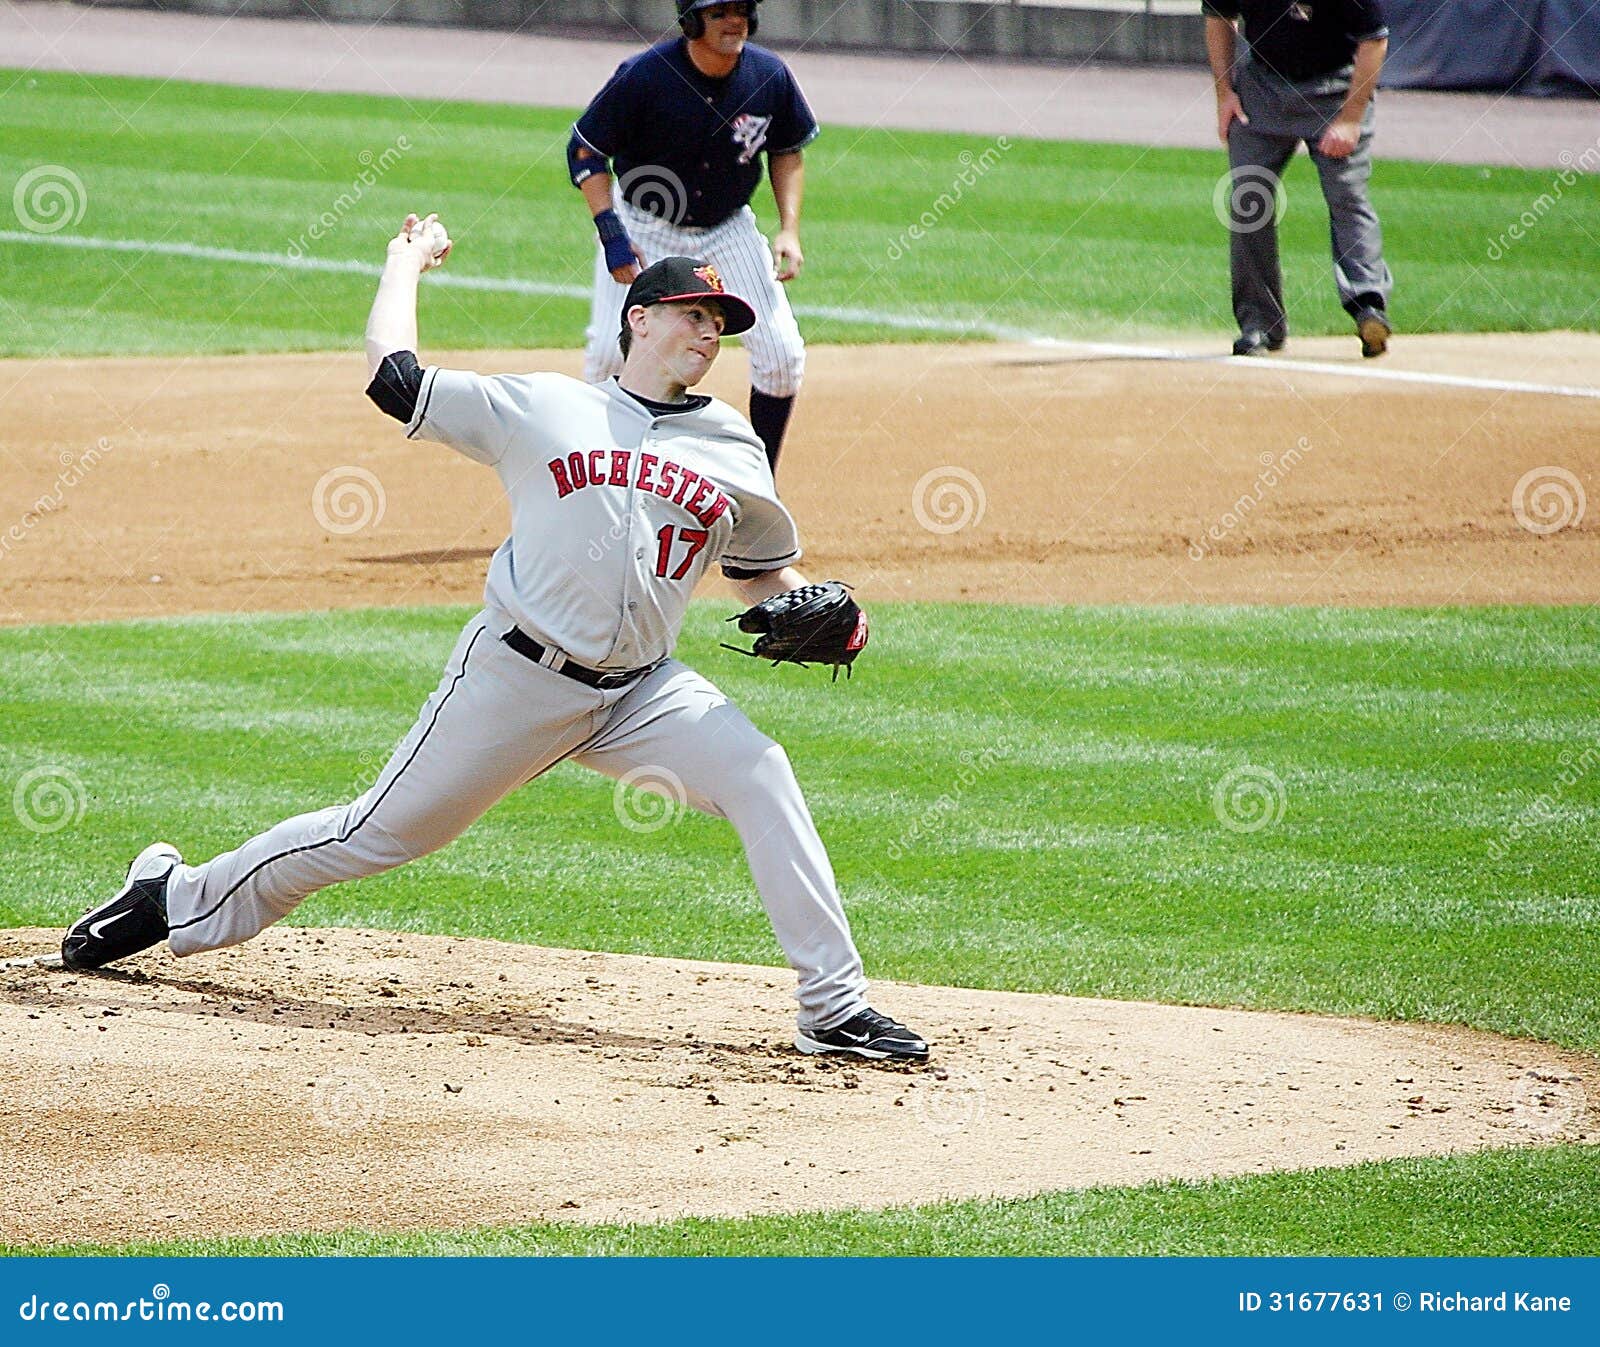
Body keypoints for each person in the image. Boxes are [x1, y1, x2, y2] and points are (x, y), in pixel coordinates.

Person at [58, 213, 929, 1065]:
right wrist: (405, 263)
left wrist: (832, 614)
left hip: (643, 692)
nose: (710, 334)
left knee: (760, 771)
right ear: (641, 319)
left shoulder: (732, 443)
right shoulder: (544, 406)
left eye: (721, 324)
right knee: (376, 834)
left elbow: (762, 576)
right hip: (519, 677)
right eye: (694, 316)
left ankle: (835, 1005)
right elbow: (394, 378)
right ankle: (173, 897)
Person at [568, 0, 815, 473]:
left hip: (727, 228)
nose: (734, 20)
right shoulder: (644, 75)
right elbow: (585, 152)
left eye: (741, 9)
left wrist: (788, 229)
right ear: (690, 20)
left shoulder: (769, 76)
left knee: (782, 358)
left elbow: (787, 150)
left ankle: (758, 482)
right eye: (719, 11)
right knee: (605, 357)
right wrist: (611, 233)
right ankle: (598, 484)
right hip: (642, 225)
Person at [1204, 0, 1394, 358]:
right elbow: (1218, 17)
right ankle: (1260, 325)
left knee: (1347, 196)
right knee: (1249, 200)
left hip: (1336, 89)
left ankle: (1369, 304)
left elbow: (1374, 42)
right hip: (1262, 87)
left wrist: (1352, 118)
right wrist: (1224, 93)